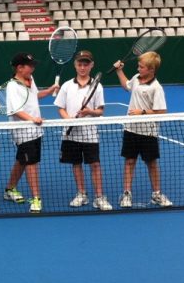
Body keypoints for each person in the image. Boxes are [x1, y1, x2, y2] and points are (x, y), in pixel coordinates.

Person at [114, 51, 173, 208]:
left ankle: (156, 194)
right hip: (131, 129)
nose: (138, 68)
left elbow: (162, 112)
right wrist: (119, 71)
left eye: (141, 67)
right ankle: (126, 194)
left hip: (148, 132)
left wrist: (143, 112)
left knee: (151, 163)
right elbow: (127, 85)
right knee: (129, 162)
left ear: (151, 69)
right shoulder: (136, 78)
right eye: (138, 66)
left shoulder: (156, 88)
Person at [54, 50, 112, 211]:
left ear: (91, 65)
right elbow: (60, 107)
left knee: (94, 164)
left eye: (86, 64)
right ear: (75, 65)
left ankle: (99, 197)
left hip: (90, 134)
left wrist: (89, 112)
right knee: (76, 163)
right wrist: (68, 120)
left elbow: (100, 111)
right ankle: (82, 193)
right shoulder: (67, 86)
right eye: (80, 64)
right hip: (70, 134)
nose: (82, 67)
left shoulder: (97, 86)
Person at [4, 53, 59, 213]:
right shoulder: (12, 86)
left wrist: (48, 91)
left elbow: (35, 96)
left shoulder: (30, 80)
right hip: (23, 131)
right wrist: (32, 119)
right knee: (31, 163)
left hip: (35, 130)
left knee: (22, 160)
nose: (33, 68)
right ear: (20, 68)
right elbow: (15, 110)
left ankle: (9, 189)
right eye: (30, 65)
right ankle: (36, 198)